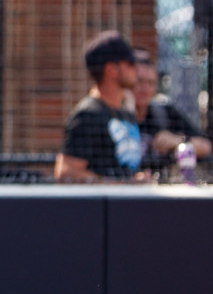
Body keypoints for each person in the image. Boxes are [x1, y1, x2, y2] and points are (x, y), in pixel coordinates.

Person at [54, 30, 146, 182]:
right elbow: (66, 173)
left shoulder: (126, 113)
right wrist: (121, 186)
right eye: (130, 62)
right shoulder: (88, 115)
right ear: (111, 70)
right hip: (99, 205)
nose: (137, 68)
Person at [132, 46, 211, 175]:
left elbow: (206, 146)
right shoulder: (116, 114)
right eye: (139, 81)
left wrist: (176, 141)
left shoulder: (163, 112)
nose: (145, 89)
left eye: (151, 83)